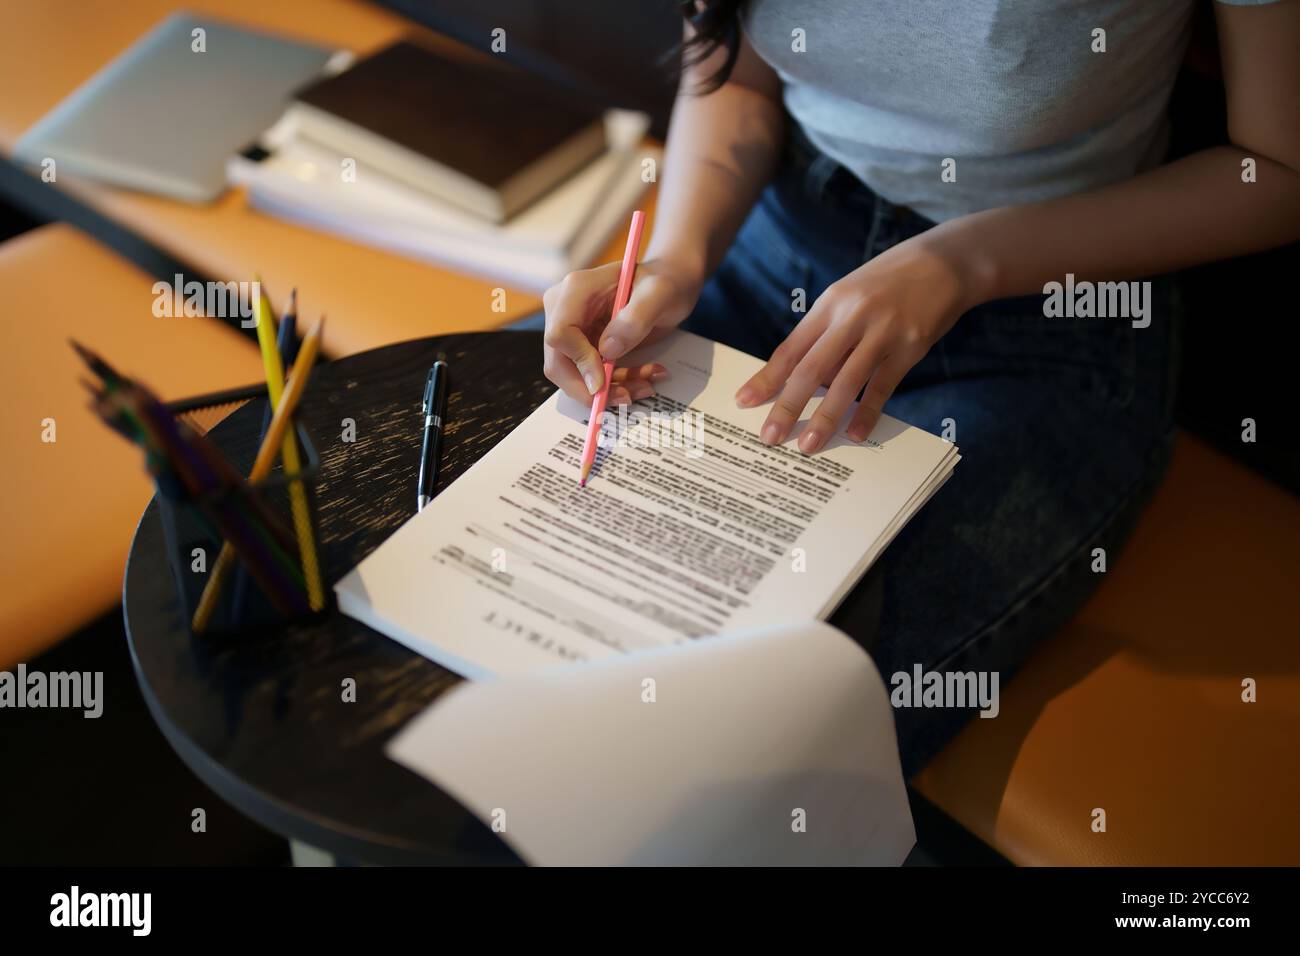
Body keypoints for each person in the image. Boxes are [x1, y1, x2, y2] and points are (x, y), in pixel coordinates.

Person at [539, 0, 1300, 774]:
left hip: (1047, 317)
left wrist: (966, 263)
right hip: (777, 242)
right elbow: (741, 79)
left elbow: (1278, 172)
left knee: (757, 718)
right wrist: (675, 260)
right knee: (502, 507)